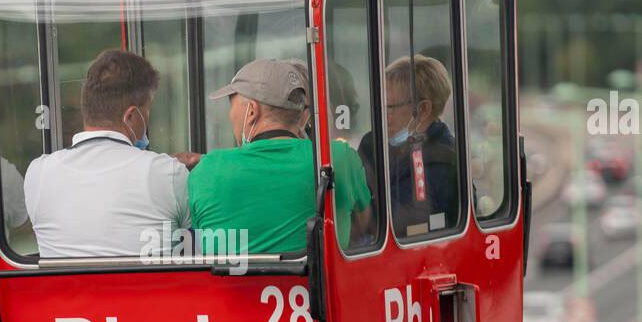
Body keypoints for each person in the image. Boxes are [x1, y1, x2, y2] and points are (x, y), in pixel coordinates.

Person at [188, 59, 370, 254]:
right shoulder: (338, 157)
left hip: (234, 285)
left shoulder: (206, 172)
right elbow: (364, 223)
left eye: (231, 104)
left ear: (252, 111)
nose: (229, 115)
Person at [23, 49, 190, 258]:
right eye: (147, 110)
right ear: (130, 116)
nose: (148, 120)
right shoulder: (169, 174)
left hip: (66, 292)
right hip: (147, 291)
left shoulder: (38, 174)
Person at [359, 55, 459, 236]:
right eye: (380, 105)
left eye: (389, 107)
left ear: (422, 110)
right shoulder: (374, 145)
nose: (382, 115)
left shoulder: (441, 163)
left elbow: (395, 225)